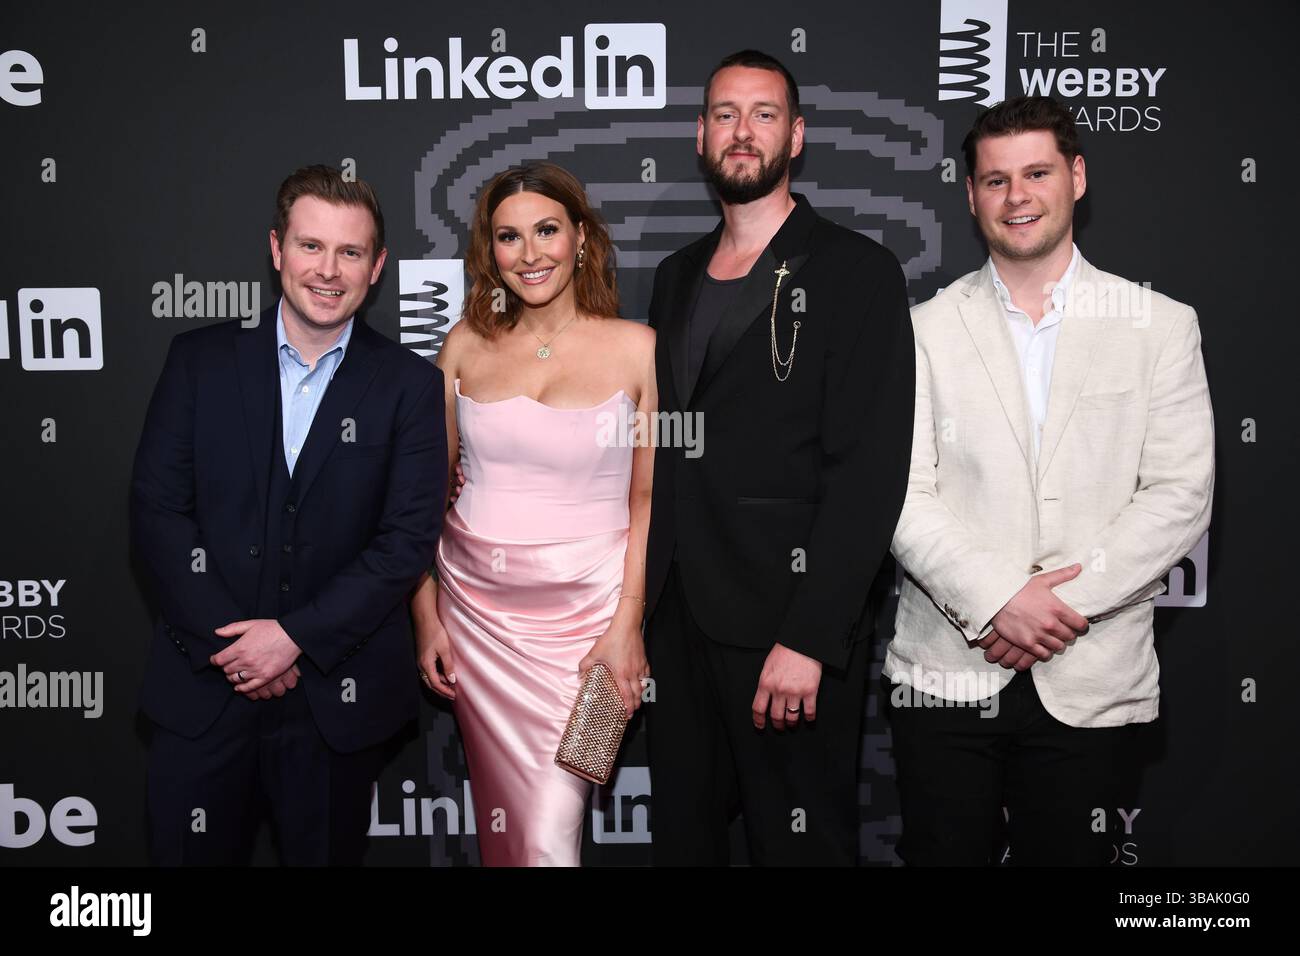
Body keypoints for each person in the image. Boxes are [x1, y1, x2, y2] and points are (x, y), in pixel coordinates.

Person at [886, 95, 1215, 865]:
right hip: (946, 672)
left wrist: (1052, 607)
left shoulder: (1161, 326)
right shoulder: (919, 329)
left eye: (1036, 173)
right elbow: (901, 493)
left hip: (1092, 670)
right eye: (995, 180)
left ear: (1077, 177)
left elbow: (1179, 495)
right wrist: (1001, 598)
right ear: (970, 195)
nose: (1017, 197)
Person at [643, 50, 915, 865]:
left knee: (799, 844)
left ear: (795, 136)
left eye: (763, 114)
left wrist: (811, 636)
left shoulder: (857, 271)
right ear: (700, 135)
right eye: (725, 114)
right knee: (683, 842)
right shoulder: (673, 275)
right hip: (677, 619)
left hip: (785, 627)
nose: (742, 132)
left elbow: (868, 473)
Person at [131, 165, 447, 865]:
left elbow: (406, 541)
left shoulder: (410, 387)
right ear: (277, 249)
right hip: (202, 692)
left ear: (378, 267)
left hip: (336, 704)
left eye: (350, 252)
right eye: (311, 247)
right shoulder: (198, 361)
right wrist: (239, 649)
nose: (328, 271)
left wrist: (295, 638)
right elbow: (157, 511)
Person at [410, 162, 655, 866]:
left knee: (552, 825)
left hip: (597, 626)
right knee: (510, 832)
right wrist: (425, 615)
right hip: (478, 620)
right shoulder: (462, 346)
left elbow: (646, 502)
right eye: (508, 238)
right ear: (491, 253)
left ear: (581, 238)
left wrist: (627, 629)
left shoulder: (641, 350)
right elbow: (420, 500)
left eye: (547, 230)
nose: (530, 253)